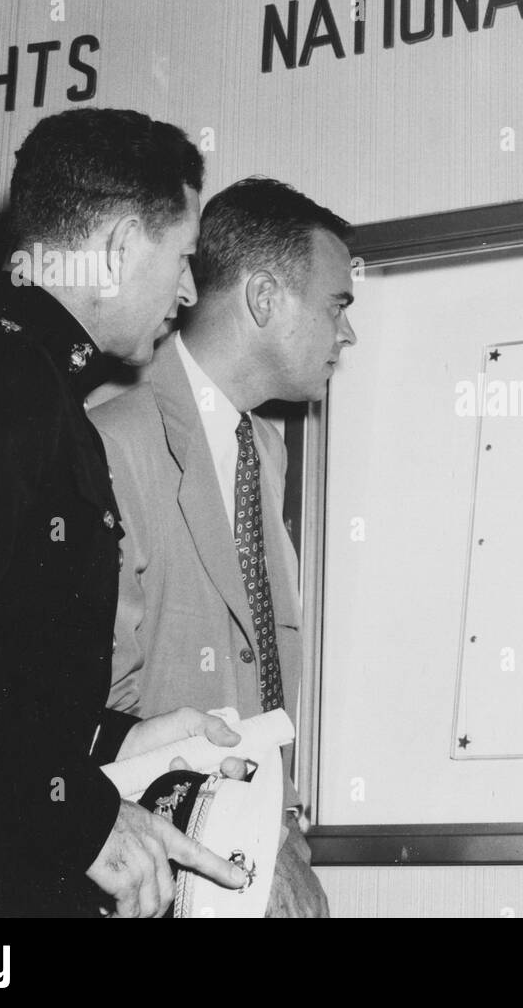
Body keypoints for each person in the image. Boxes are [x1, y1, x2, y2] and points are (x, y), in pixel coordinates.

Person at [0, 107, 252, 918]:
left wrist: (112, 742)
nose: (186, 289)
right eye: (180, 258)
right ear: (114, 251)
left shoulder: (28, 381)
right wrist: (78, 818)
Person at [90, 176, 357, 918]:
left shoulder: (264, 453)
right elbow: (88, 711)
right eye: (339, 305)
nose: (348, 333)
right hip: (160, 873)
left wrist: (279, 831)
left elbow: (260, 672)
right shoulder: (113, 443)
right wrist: (246, 844)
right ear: (266, 297)